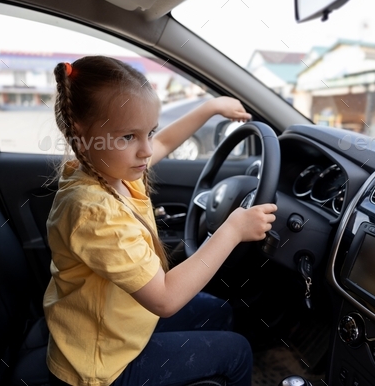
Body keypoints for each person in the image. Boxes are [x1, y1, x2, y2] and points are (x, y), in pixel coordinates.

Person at [43, 55, 277, 386]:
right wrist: (234, 229)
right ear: (83, 136)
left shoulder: (110, 170)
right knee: (237, 352)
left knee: (218, 311)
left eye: (148, 132)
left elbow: (164, 142)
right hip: (100, 367)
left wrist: (210, 107)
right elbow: (165, 299)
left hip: (120, 326)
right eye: (128, 137)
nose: (146, 150)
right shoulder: (93, 211)